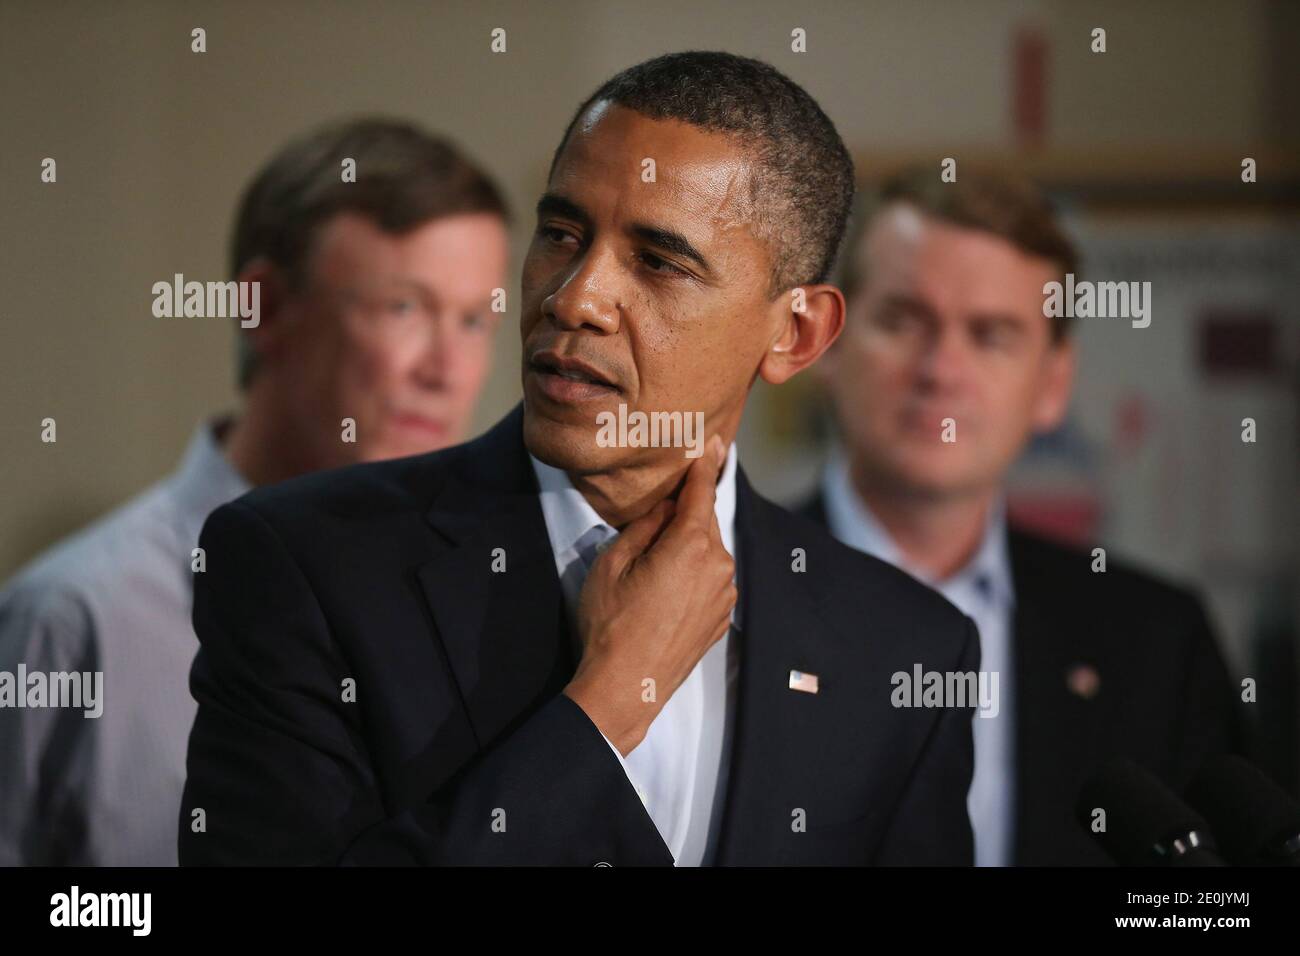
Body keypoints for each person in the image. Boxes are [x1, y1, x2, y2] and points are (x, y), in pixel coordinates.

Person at [180, 52, 980, 867]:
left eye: (660, 262)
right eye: (562, 234)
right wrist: (603, 707)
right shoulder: (306, 567)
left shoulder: (906, 652)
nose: (574, 297)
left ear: (796, 334)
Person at [0, 117, 510, 865]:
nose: (448, 371)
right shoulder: (70, 622)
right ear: (265, 309)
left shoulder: (492, 605)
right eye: (403, 308)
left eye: (473, 320)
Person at [801, 167, 1241, 865]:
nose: (941, 368)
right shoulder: (714, 596)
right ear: (825, 344)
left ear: (1052, 383)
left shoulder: (1159, 643)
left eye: (991, 334)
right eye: (902, 320)